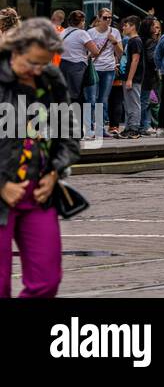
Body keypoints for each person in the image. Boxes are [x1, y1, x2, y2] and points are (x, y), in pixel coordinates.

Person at [0, 19, 80, 298]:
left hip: (38, 192)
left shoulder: (50, 78)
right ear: (16, 49)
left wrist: (55, 171)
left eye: (44, 63)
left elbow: (69, 135)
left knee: (47, 280)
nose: (37, 70)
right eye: (32, 62)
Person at [84, 8, 122, 140]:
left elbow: (120, 53)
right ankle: (89, 129)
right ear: (99, 18)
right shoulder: (90, 32)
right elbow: (86, 52)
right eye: (105, 17)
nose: (108, 20)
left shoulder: (115, 32)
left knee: (103, 101)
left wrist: (114, 41)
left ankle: (100, 129)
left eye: (110, 17)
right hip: (94, 69)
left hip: (109, 69)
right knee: (91, 100)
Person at [57, 11, 91, 110]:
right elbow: (95, 51)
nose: (84, 23)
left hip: (63, 66)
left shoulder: (63, 32)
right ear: (81, 22)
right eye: (83, 21)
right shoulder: (82, 33)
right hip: (77, 68)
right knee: (77, 96)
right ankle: (77, 121)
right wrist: (87, 56)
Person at [120, 17, 146, 140]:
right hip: (127, 76)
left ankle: (134, 128)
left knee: (134, 103)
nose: (123, 28)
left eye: (126, 25)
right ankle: (128, 127)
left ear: (133, 26)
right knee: (128, 103)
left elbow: (135, 60)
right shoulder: (131, 41)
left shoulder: (135, 41)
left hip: (133, 77)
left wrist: (130, 78)